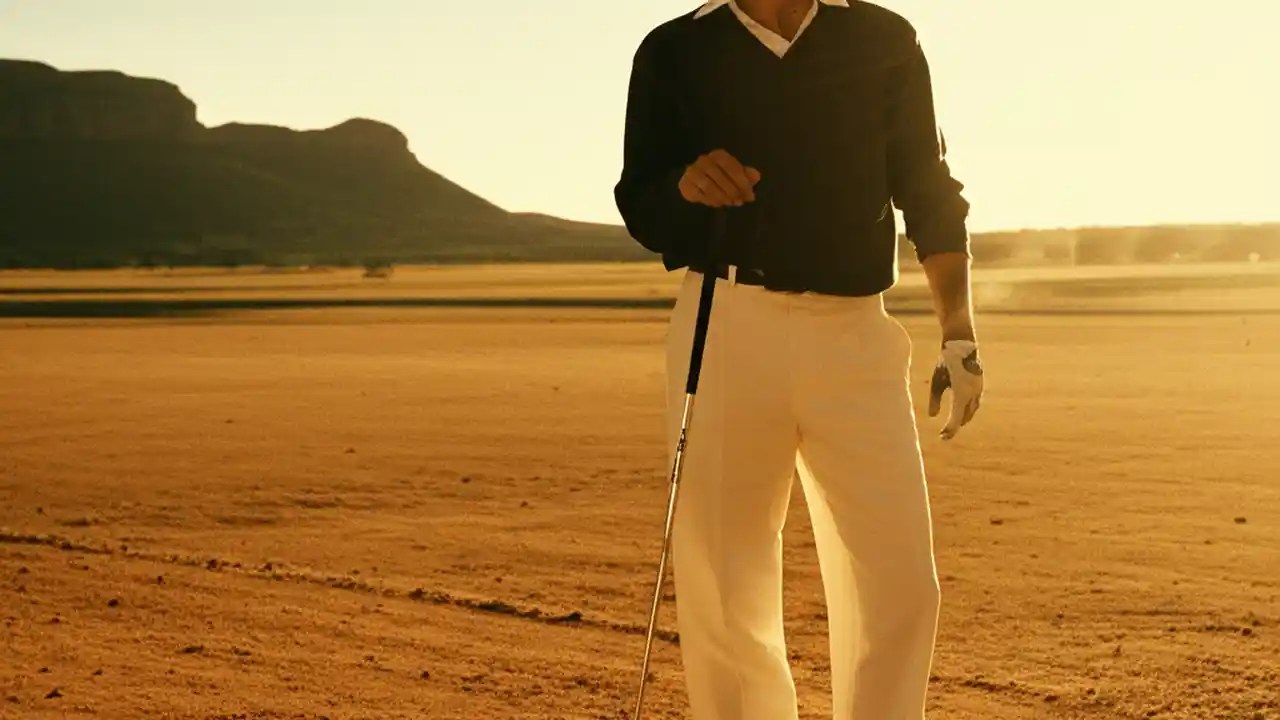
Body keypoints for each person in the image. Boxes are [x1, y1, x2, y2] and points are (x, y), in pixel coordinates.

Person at [613, 1, 985, 718]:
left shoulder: (884, 39)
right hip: (725, 324)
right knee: (725, 585)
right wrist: (683, 186)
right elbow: (641, 200)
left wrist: (959, 332)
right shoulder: (673, 50)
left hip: (853, 334)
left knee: (901, 582)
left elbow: (930, 192)